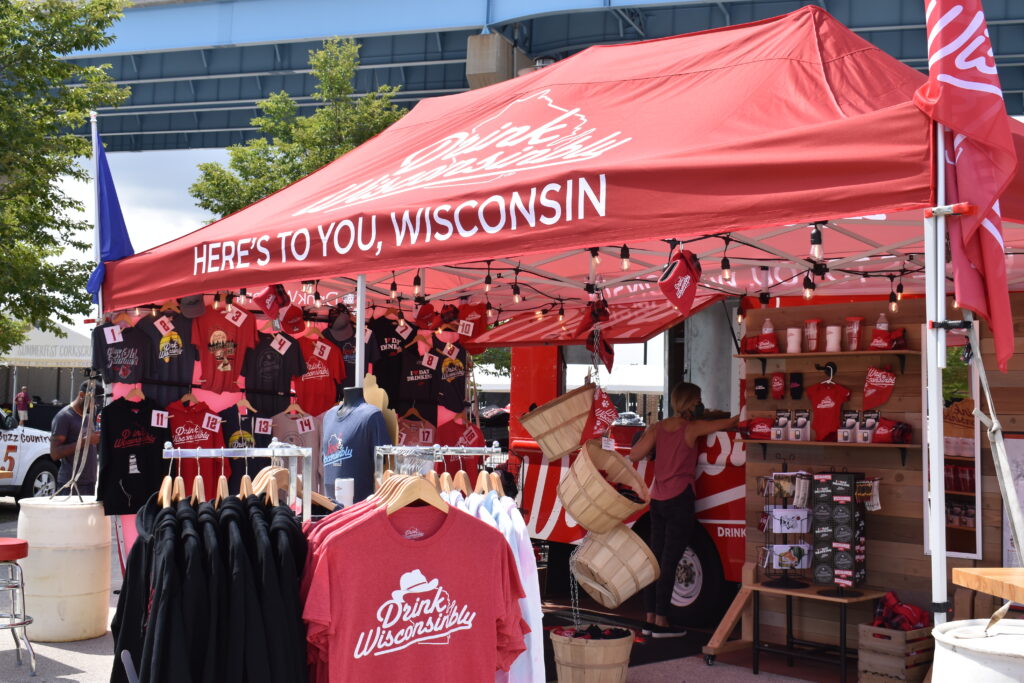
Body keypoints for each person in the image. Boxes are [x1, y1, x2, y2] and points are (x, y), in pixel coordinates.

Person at [629, 381, 737, 637]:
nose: (701, 404)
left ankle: (650, 618)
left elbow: (634, 454)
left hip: (658, 499)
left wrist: (652, 443)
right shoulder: (692, 428)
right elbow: (730, 423)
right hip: (680, 500)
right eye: (698, 399)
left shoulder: (658, 427)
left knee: (655, 559)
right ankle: (663, 622)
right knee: (670, 559)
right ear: (691, 402)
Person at [50, 381, 103, 495]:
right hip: (70, 484)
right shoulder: (64, 417)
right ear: (82, 395)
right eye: (93, 403)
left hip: (89, 483)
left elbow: (91, 446)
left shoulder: (88, 416)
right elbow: (54, 453)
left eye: (96, 404)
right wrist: (85, 441)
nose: (94, 406)